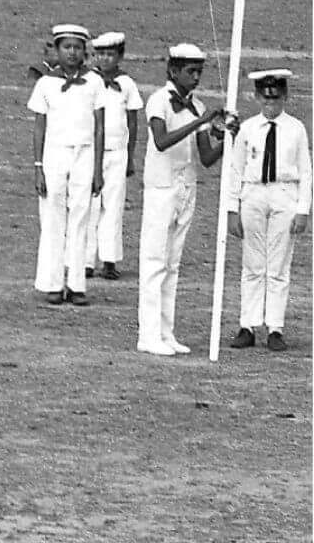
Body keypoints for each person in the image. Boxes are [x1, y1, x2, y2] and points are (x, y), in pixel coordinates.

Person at [135, 44, 225, 356]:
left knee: (172, 263)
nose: (196, 77)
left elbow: (207, 157)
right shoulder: (159, 100)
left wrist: (227, 137)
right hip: (161, 189)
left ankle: (166, 332)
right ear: (174, 71)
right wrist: (200, 122)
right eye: (191, 71)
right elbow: (161, 141)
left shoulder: (197, 106)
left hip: (186, 187)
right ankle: (148, 335)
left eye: (199, 71)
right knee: (154, 261)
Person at [224, 70, 311, 352]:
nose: (270, 103)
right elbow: (236, 169)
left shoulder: (296, 128)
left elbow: (306, 171)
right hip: (254, 192)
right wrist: (232, 208)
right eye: (265, 97)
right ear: (257, 97)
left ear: (284, 96)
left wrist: (303, 209)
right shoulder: (249, 128)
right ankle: (248, 325)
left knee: (278, 265)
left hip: (284, 192)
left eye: (275, 98)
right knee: (252, 263)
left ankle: (275, 327)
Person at [27, 24, 105, 306]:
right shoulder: (46, 83)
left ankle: (76, 284)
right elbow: (39, 127)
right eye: (66, 47)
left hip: (84, 153)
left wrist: (97, 169)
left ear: (85, 51)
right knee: (52, 217)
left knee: (81, 217)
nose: (72, 53)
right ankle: (53, 283)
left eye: (77, 48)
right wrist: (38, 167)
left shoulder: (94, 82)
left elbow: (99, 127)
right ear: (57, 50)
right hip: (55, 154)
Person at [85, 32, 143, 282]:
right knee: (89, 206)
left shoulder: (126, 83)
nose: (105, 59)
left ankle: (109, 260)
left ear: (120, 56)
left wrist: (130, 155)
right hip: (90, 151)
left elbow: (133, 121)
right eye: (101, 54)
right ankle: (86, 260)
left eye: (110, 54)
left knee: (114, 205)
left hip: (117, 152)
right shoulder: (88, 80)